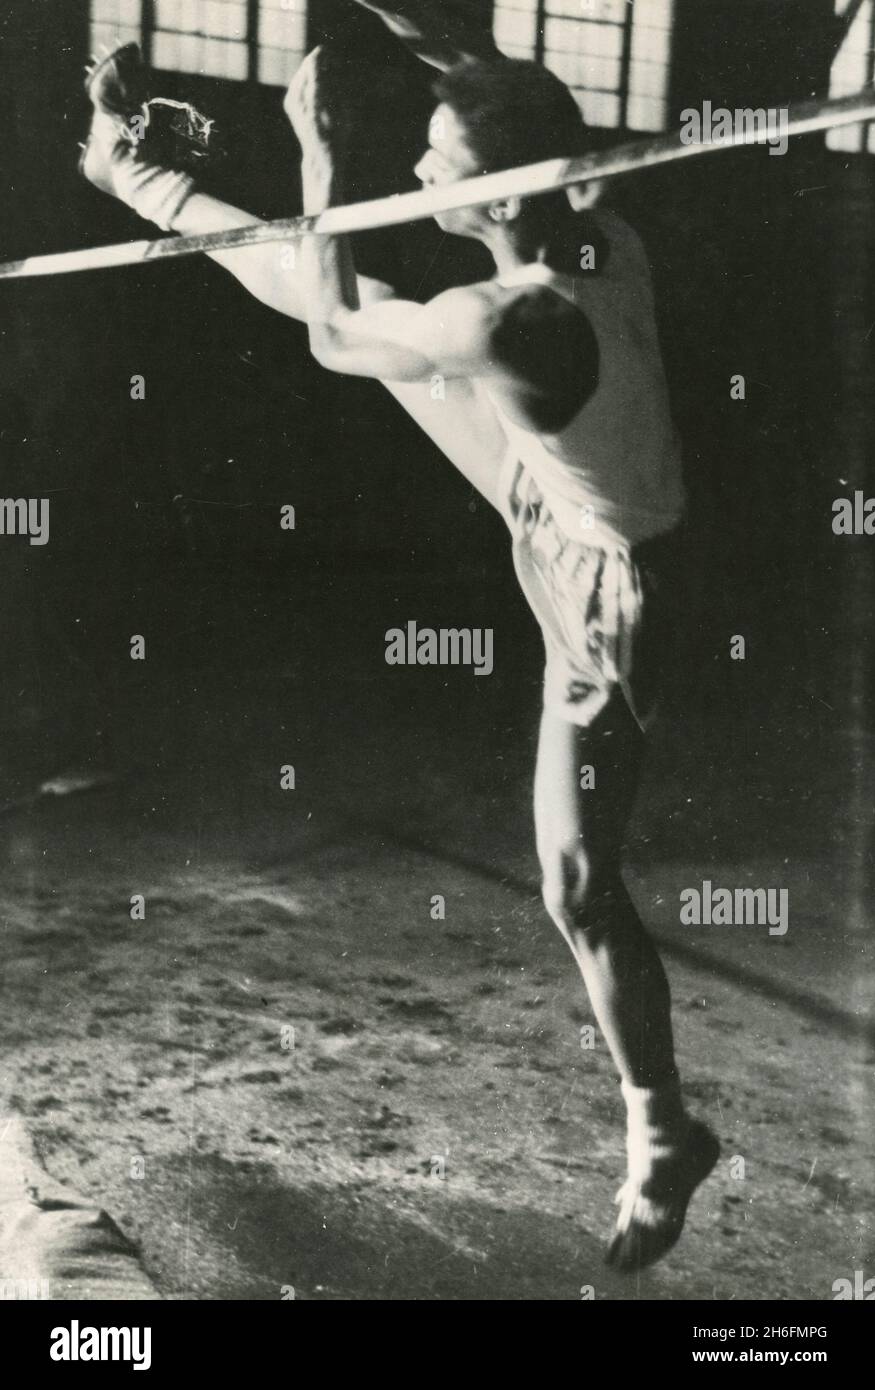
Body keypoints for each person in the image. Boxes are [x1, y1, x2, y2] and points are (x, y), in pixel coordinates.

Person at [80, 2, 718, 1272]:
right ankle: (132, 174)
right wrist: (417, 32)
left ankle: (661, 1130)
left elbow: (330, 339)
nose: (419, 171)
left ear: (498, 198)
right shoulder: (597, 231)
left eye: (440, 164)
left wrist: (319, 155)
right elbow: (505, 105)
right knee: (349, 273)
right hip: (556, 489)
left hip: (608, 583)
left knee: (577, 884)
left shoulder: (514, 321)